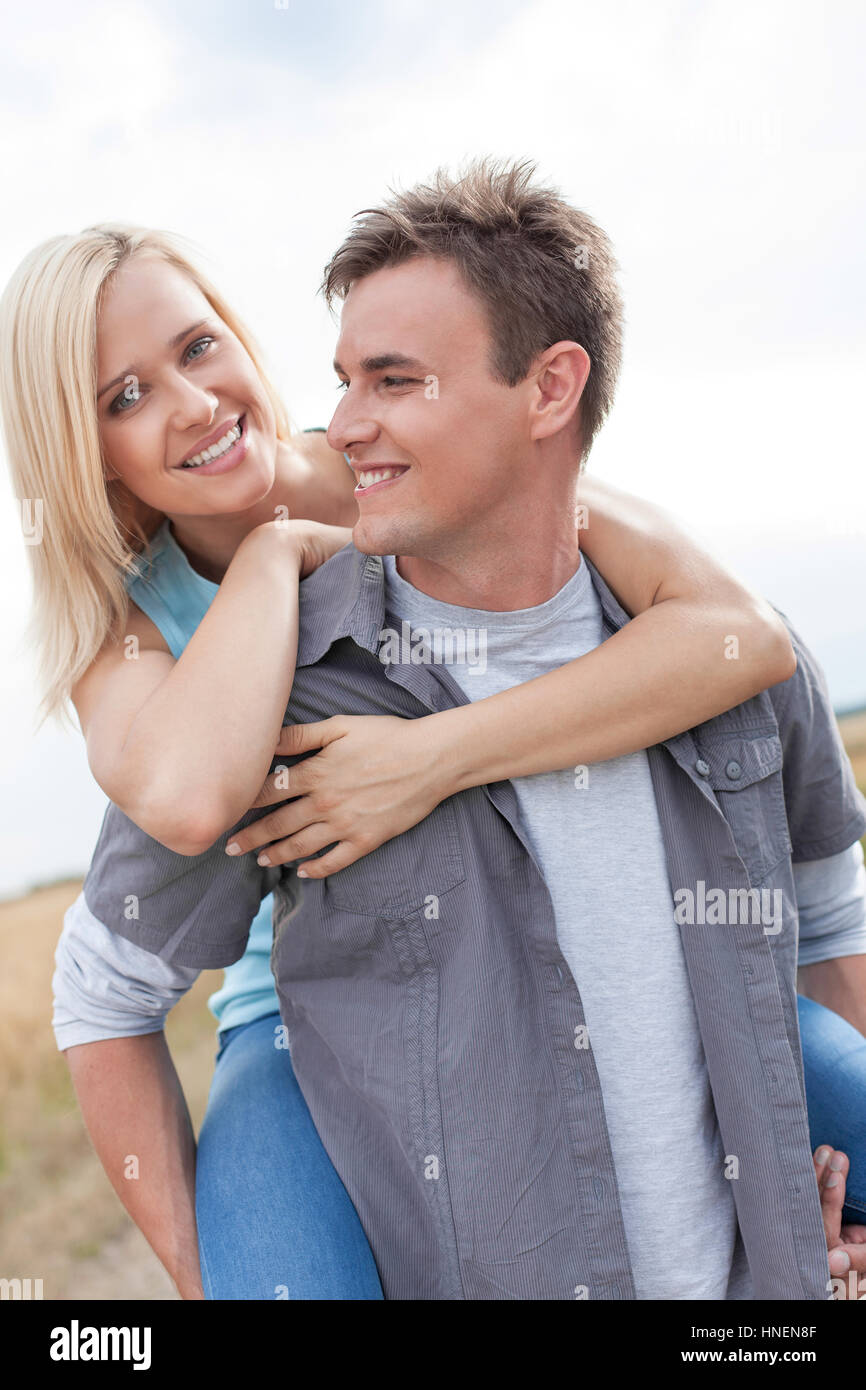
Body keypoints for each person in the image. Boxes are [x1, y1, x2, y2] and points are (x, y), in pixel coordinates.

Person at [1, 171, 863, 1299]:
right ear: (83, 447)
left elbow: (743, 641)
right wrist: (268, 561)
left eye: (198, 347)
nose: (192, 403)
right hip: (296, 1012)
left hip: (576, 940)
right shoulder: (122, 631)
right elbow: (186, 803)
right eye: (122, 397)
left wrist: (428, 760)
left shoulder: (397, 469)